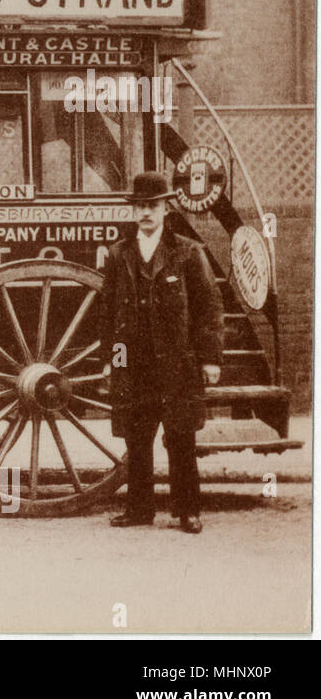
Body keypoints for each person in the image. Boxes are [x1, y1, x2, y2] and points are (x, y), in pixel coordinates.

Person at [99, 171, 223, 534]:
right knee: (137, 441)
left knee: (181, 438)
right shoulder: (119, 254)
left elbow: (208, 309)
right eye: (140, 206)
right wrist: (111, 361)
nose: (145, 213)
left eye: (152, 206)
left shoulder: (187, 251)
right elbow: (108, 314)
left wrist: (211, 358)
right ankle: (139, 510)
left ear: (167, 208)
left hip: (177, 364)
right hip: (133, 365)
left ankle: (188, 511)